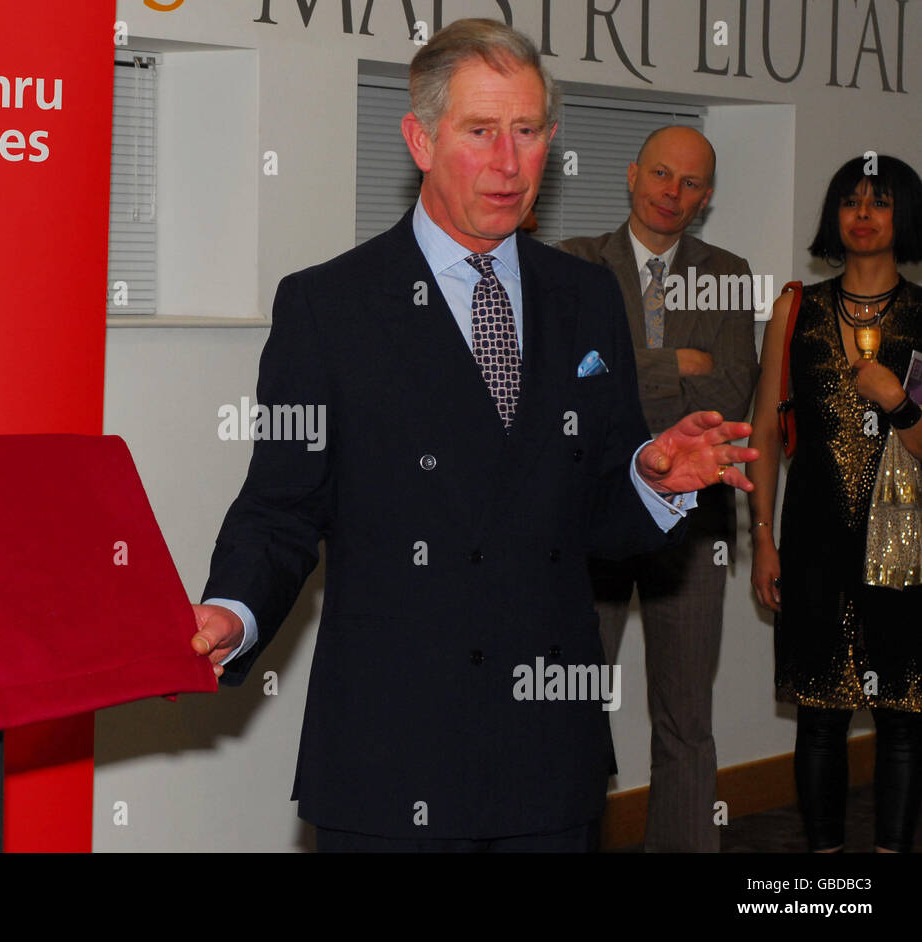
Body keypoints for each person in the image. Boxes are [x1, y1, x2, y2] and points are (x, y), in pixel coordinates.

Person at [191, 18, 756, 852]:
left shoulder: (585, 298)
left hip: (548, 762)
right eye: (481, 131)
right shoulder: (329, 308)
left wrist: (651, 478)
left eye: (528, 133)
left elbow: (596, 505)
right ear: (421, 138)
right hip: (391, 757)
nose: (508, 161)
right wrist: (234, 609)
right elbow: (279, 506)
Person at [556, 127, 760, 852]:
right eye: (662, 175)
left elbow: (734, 386)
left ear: (706, 197)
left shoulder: (729, 272)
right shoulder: (575, 261)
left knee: (686, 719)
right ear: (633, 174)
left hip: (695, 525)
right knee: (573, 709)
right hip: (597, 513)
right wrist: (678, 360)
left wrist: (625, 366)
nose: (672, 194)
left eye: (691, 183)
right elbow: (571, 378)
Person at [748, 154, 922, 853]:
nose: (862, 214)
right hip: (814, 540)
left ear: (903, 216)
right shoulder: (796, 309)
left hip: (904, 548)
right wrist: (761, 534)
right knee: (819, 716)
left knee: (903, 720)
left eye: (879, 202)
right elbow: (763, 427)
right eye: (850, 201)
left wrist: (897, 401)